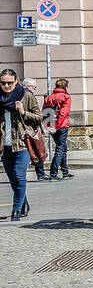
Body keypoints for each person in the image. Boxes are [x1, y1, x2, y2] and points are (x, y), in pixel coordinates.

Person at [1, 69, 41, 220]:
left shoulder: (26, 96)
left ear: (16, 81)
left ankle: (16, 211)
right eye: (3, 83)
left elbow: (39, 117)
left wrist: (24, 112)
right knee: (12, 179)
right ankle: (24, 202)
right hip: (4, 146)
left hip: (23, 144)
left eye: (9, 82)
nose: (6, 85)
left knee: (19, 176)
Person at [44, 78, 74, 179]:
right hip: (62, 126)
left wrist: (49, 126)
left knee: (62, 147)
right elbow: (63, 114)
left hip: (51, 125)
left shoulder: (49, 97)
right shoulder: (65, 97)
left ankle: (65, 171)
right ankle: (53, 173)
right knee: (60, 149)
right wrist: (58, 126)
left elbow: (45, 112)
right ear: (65, 86)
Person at [20, 80, 50, 181]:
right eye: (34, 87)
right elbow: (38, 116)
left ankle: (23, 175)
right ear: (29, 86)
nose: (35, 89)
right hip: (30, 129)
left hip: (22, 130)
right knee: (37, 151)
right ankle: (40, 174)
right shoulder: (29, 95)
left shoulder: (17, 94)